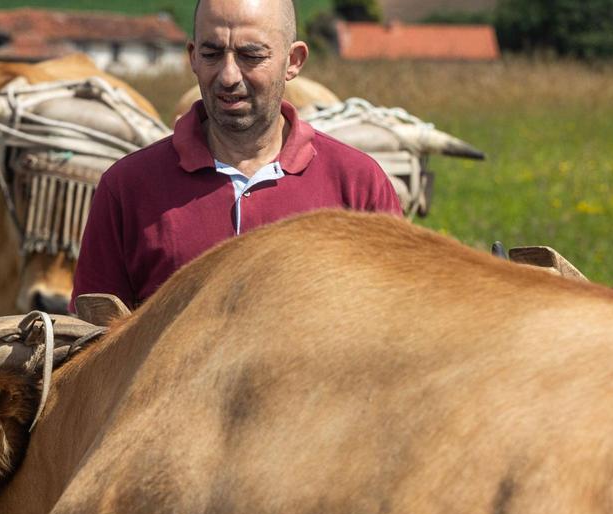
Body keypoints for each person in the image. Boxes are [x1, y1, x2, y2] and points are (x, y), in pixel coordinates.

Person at [72, 0, 402, 309]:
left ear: (294, 61)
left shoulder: (358, 183)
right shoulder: (127, 188)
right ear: (193, 57)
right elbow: (95, 344)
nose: (228, 76)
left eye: (251, 55)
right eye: (212, 54)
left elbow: (399, 328)